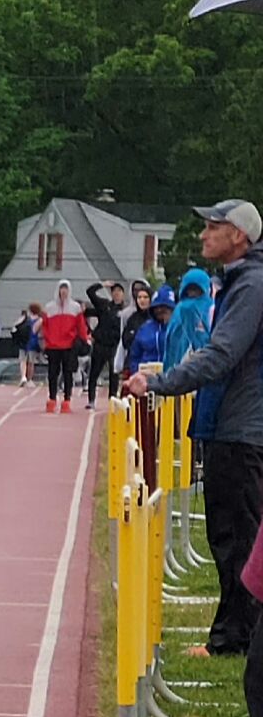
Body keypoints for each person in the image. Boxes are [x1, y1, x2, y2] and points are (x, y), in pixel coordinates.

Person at [125, 201, 263, 661]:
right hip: (231, 425)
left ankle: (232, 639)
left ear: (239, 236)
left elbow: (221, 354)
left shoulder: (251, 286)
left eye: (212, 227)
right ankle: (237, 633)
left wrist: (160, 382)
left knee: (236, 537)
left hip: (241, 431)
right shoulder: (238, 283)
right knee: (232, 534)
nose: (203, 235)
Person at [39, 281, 90, 413]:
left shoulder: (75, 307)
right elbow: (44, 325)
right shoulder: (49, 308)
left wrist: (84, 340)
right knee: (52, 374)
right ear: (58, 290)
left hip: (69, 345)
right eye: (62, 289)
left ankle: (66, 400)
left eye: (66, 289)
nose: (64, 292)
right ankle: (52, 399)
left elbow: (81, 326)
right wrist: (45, 341)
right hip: (53, 346)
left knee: (68, 373)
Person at [85, 280, 124, 408]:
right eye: (114, 292)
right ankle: (91, 400)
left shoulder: (125, 310)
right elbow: (90, 292)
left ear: (123, 294)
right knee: (94, 373)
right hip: (100, 344)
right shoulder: (104, 305)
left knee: (114, 374)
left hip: (115, 346)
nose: (117, 294)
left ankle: (112, 400)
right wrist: (102, 284)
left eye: (119, 292)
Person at [125, 286, 173, 376]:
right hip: (146, 379)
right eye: (156, 307)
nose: (159, 310)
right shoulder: (145, 328)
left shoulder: (179, 328)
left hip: (172, 378)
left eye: (163, 307)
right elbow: (135, 355)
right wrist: (136, 372)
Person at [14, 303, 43, 387]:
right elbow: (37, 332)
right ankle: (29, 379)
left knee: (22, 360)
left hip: (23, 341)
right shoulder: (40, 320)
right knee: (31, 362)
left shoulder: (25, 318)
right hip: (33, 342)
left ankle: (23, 377)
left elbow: (16, 326)